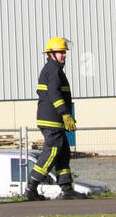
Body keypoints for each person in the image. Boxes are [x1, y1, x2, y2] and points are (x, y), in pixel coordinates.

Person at [26, 36, 82, 200]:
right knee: (52, 150)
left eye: (64, 52)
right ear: (51, 54)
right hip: (52, 119)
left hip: (53, 119)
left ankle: (66, 188)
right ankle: (31, 187)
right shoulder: (53, 70)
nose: (63, 55)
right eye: (60, 52)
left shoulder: (54, 69)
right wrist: (65, 113)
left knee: (63, 152)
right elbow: (55, 94)